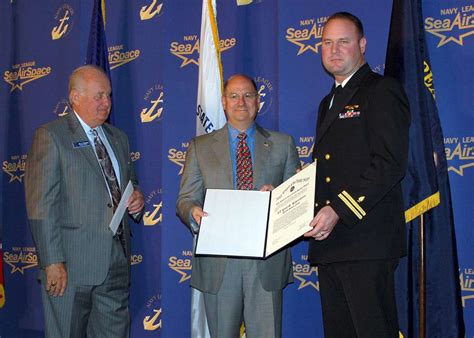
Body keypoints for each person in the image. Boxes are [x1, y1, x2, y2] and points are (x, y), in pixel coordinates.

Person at [304, 12, 410, 338]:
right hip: (333, 243)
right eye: (327, 43)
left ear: (362, 45)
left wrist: (337, 209)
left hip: (366, 242)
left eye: (344, 42)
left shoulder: (381, 90)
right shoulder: (328, 102)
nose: (334, 50)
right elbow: (331, 170)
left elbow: (390, 163)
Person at [24, 65, 144, 337]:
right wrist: (52, 261)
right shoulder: (51, 136)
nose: (107, 103)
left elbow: (130, 183)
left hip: (115, 263)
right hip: (70, 267)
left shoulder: (119, 138)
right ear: (75, 97)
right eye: (99, 96)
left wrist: (136, 197)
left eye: (109, 96)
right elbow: (41, 205)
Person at [176, 74, 300, 338]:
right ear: (223, 102)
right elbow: (185, 199)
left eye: (248, 95)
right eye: (233, 96)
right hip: (219, 266)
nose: (241, 102)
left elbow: (296, 203)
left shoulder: (283, 145)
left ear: (258, 101)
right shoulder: (199, 147)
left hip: (266, 264)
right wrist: (192, 213)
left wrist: (278, 198)